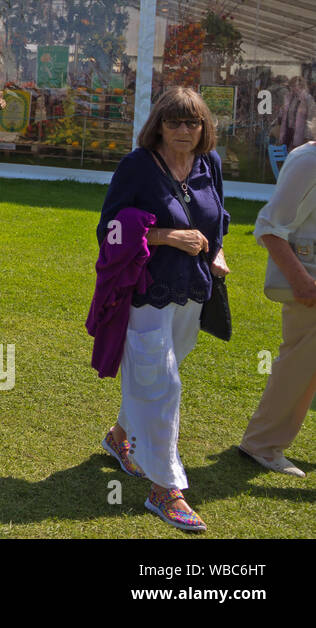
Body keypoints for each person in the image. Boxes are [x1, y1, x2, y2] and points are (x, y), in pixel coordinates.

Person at [96, 86, 230, 532]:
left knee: (156, 374)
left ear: (204, 128)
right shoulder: (137, 167)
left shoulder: (208, 163)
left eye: (193, 122)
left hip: (192, 290)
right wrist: (168, 237)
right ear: (159, 125)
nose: (184, 130)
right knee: (162, 383)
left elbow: (217, 216)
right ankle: (164, 489)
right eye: (174, 121)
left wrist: (218, 252)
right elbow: (111, 229)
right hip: (147, 292)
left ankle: (119, 438)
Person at [239, 125, 316, 477]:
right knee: (299, 366)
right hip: (310, 283)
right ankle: (262, 444)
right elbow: (269, 227)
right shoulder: (308, 161)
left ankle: (263, 441)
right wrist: (302, 282)